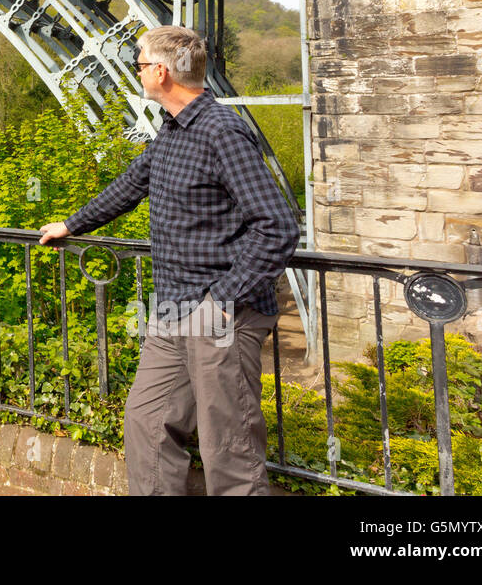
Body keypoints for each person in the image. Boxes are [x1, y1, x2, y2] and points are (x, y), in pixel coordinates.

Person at [38, 25, 300, 495]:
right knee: (147, 423)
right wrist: (71, 225)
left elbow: (278, 226)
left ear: (160, 72)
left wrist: (222, 297)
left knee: (229, 448)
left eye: (139, 64)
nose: (136, 73)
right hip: (173, 308)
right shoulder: (172, 130)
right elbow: (132, 183)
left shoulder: (222, 132)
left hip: (221, 315)